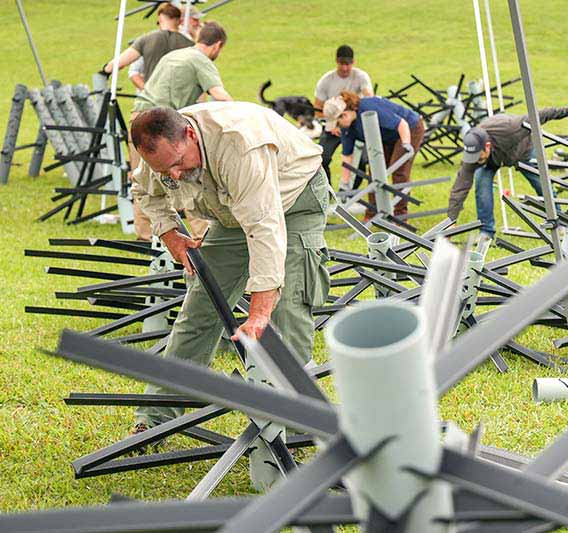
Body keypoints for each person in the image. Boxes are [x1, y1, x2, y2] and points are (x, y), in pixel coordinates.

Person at [129, 102, 330, 489]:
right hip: (231, 214)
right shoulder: (160, 149)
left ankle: (293, 428)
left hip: (293, 202)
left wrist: (258, 313)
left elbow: (264, 226)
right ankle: (155, 418)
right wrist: (171, 233)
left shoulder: (241, 145)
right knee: (200, 307)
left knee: (287, 315)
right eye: (165, 170)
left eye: (178, 163)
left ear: (189, 133)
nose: (174, 174)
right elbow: (146, 190)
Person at [130, 21, 232, 240]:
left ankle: (146, 236)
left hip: (139, 120)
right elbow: (219, 95)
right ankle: (204, 236)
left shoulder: (174, 55)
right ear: (217, 46)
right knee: (189, 176)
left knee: (143, 180)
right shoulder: (201, 60)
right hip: (164, 129)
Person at [447, 104, 568, 238]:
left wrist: (567, 110)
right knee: (481, 185)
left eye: (478, 156)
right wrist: (450, 222)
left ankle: (559, 222)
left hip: (523, 151)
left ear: (487, 146)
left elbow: (538, 116)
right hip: (493, 159)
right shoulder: (473, 153)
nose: (475, 160)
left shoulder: (511, 128)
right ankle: (486, 232)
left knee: (541, 183)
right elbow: (459, 188)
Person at [323, 91, 424, 220]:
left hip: (409, 129)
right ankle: (372, 214)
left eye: (337, 123)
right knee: (375, 172)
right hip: (385, 136)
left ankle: (400, 216)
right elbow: (347, 155)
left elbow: (401, 124)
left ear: (344, 115)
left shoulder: (369, 108)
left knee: (399, 170)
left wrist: (406, 144)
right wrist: (345, 183)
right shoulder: (348, 128)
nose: (336, 128)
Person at [313, 45, 373, 182]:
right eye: (342, 64)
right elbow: (317, 109)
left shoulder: (361, 77)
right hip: (332, 125)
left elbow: (369, 97)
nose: (345, 68)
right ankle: (328, 193)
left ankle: (353, 192)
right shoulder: (326, 81)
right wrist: (332, 124)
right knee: (322, 159)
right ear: (336, 61)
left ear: (353, 62)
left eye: (348, 64)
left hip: (354, 123)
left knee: (361, 160)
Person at [100, 3, 192, 82]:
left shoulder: (147, 39)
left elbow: (117, 63)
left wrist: (105, 71)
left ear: (160, 20)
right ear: (180, 21)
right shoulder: (190, 45)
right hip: (183, 100)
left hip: (153, 98)